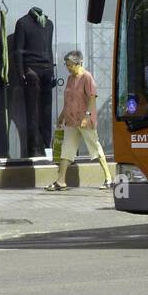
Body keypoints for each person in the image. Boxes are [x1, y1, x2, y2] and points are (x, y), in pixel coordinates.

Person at [45, 51, 114, 191]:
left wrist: (87, 116)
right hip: (71, 120)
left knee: (95, 146)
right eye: (67, 65)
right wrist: (61, 117)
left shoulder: (87, 77)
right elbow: (68, 101)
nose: (68, 68)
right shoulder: (70, 78)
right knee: (67, 149)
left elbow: (92, 98)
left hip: (84, 121)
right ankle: (61, 181)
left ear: (78, 63)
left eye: (70, 65)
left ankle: (108, 178)